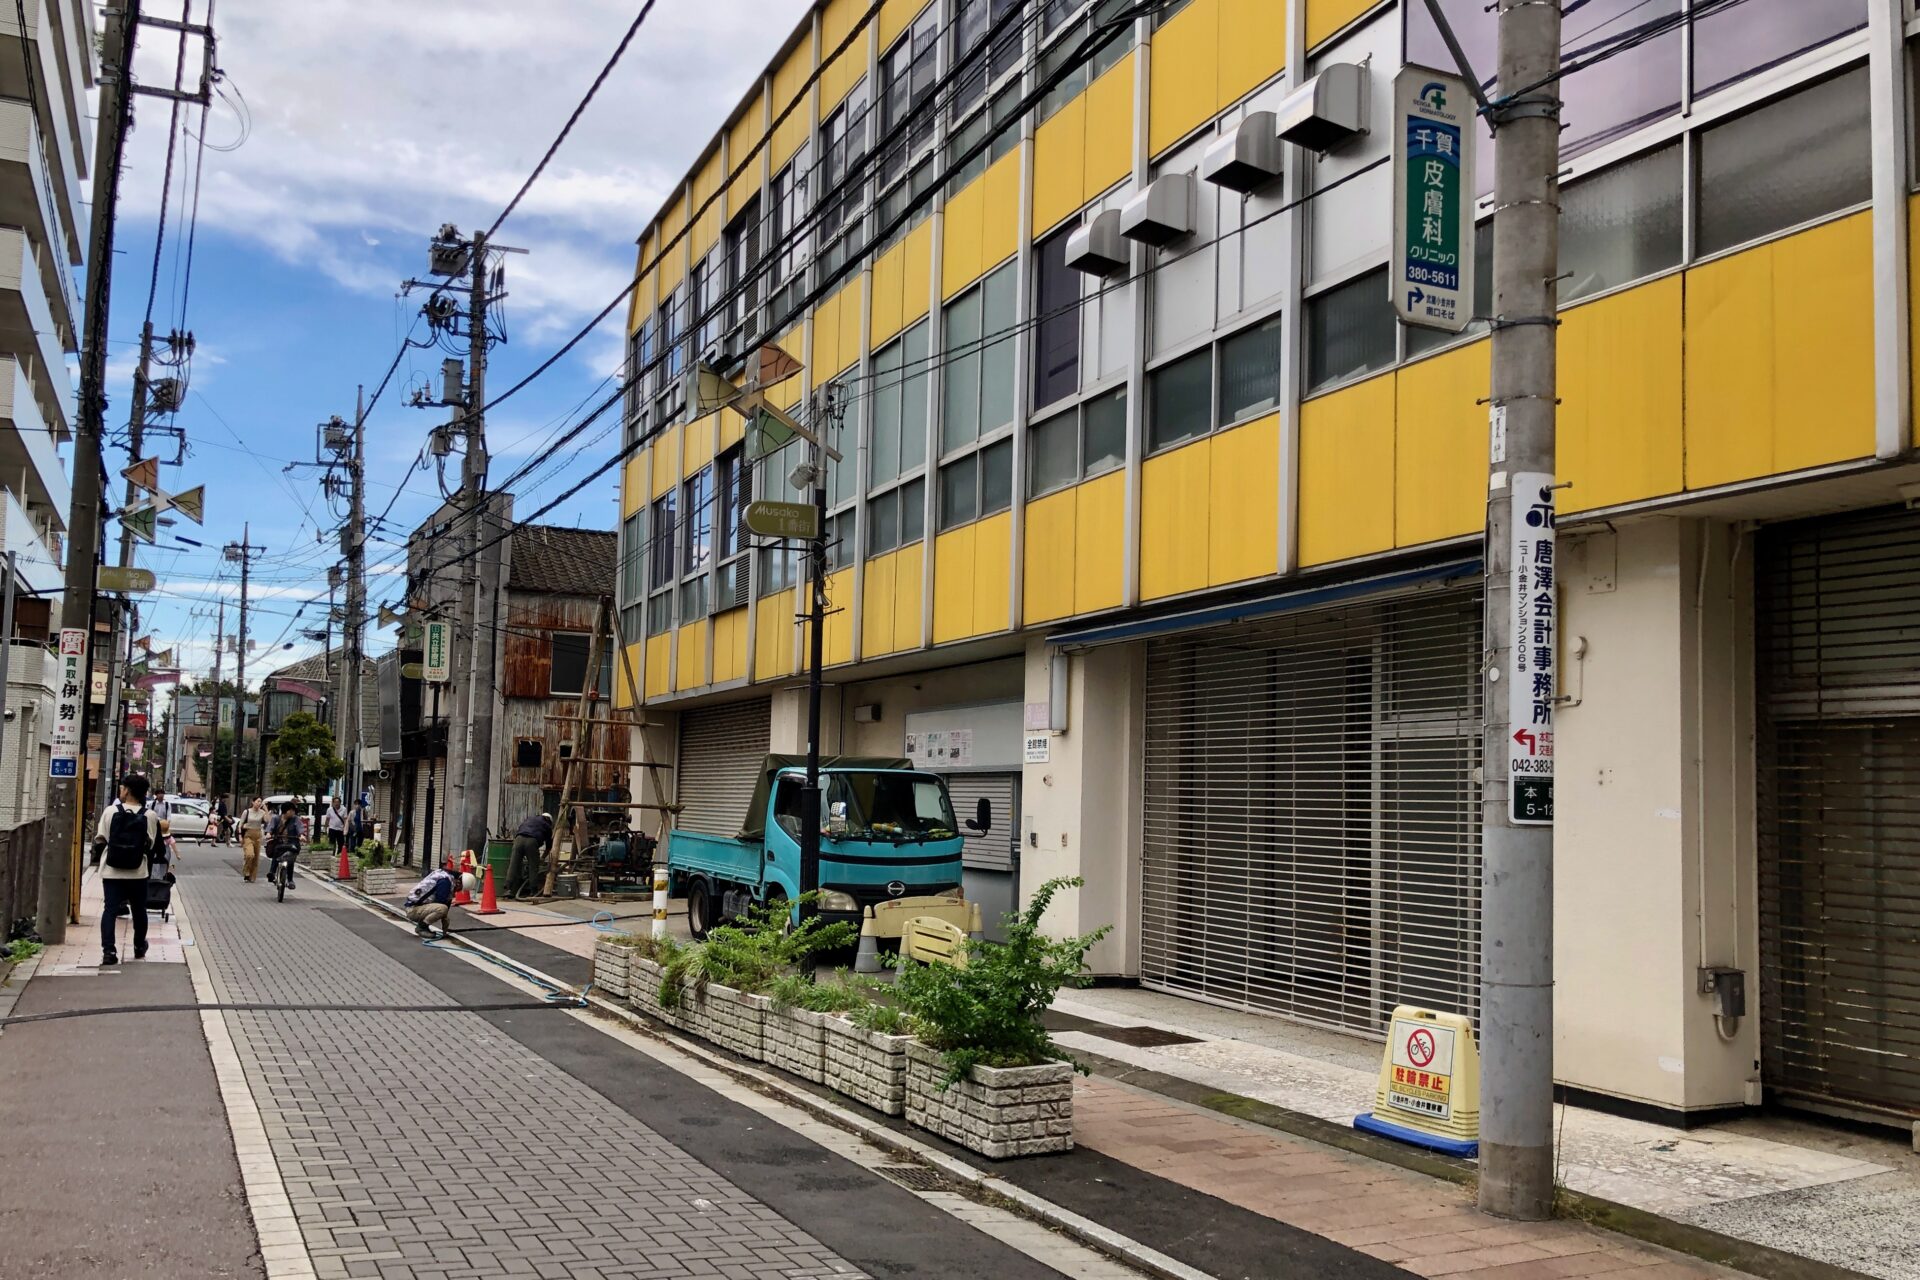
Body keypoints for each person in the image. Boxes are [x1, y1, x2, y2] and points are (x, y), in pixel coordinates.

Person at [89, 774, 167, 965]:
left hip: (111, 871)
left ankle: (109, 951)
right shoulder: (149, 816)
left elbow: (101, 839)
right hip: (138, 871)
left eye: (123, 787)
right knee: (139, 910)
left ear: (127, 790)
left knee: (110, 910)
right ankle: (139, 946)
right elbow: (153, 845)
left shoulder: (110, 811)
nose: (121, 790)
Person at [506, 811, 553, 899]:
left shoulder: (530, 819)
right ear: (549, 820)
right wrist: (542, 858)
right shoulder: (547, 825)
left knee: (514, 864)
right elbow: (549, 846)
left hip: (518, 839)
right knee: (533, 866)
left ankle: (509, 889)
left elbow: (520, 829)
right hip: (532, 841)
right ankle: (533, 891)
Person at [401, 865, 458, 939]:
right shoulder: (445, 882)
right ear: (459, 882)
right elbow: (442, 905)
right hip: (413, 909)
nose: (458, 891)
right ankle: (421, 928)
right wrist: (445, 926)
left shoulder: (443, 875)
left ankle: (424, 926)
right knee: (442, 908)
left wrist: (445, 929)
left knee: (442, 908)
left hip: (415, 907)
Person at [239, 796, 268, 882]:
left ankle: (252, 876)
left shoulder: (262, 812)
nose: (259, 803)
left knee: (256, 858)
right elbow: (240, 824)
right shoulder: (246, 812)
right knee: (249, 855)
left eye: (260, 802)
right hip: (248, 835)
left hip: (258, 835)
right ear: (253, 802)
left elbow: (267, 821)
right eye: (257, 801)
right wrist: (240, 836)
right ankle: (246, 871)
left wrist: (266, 810)